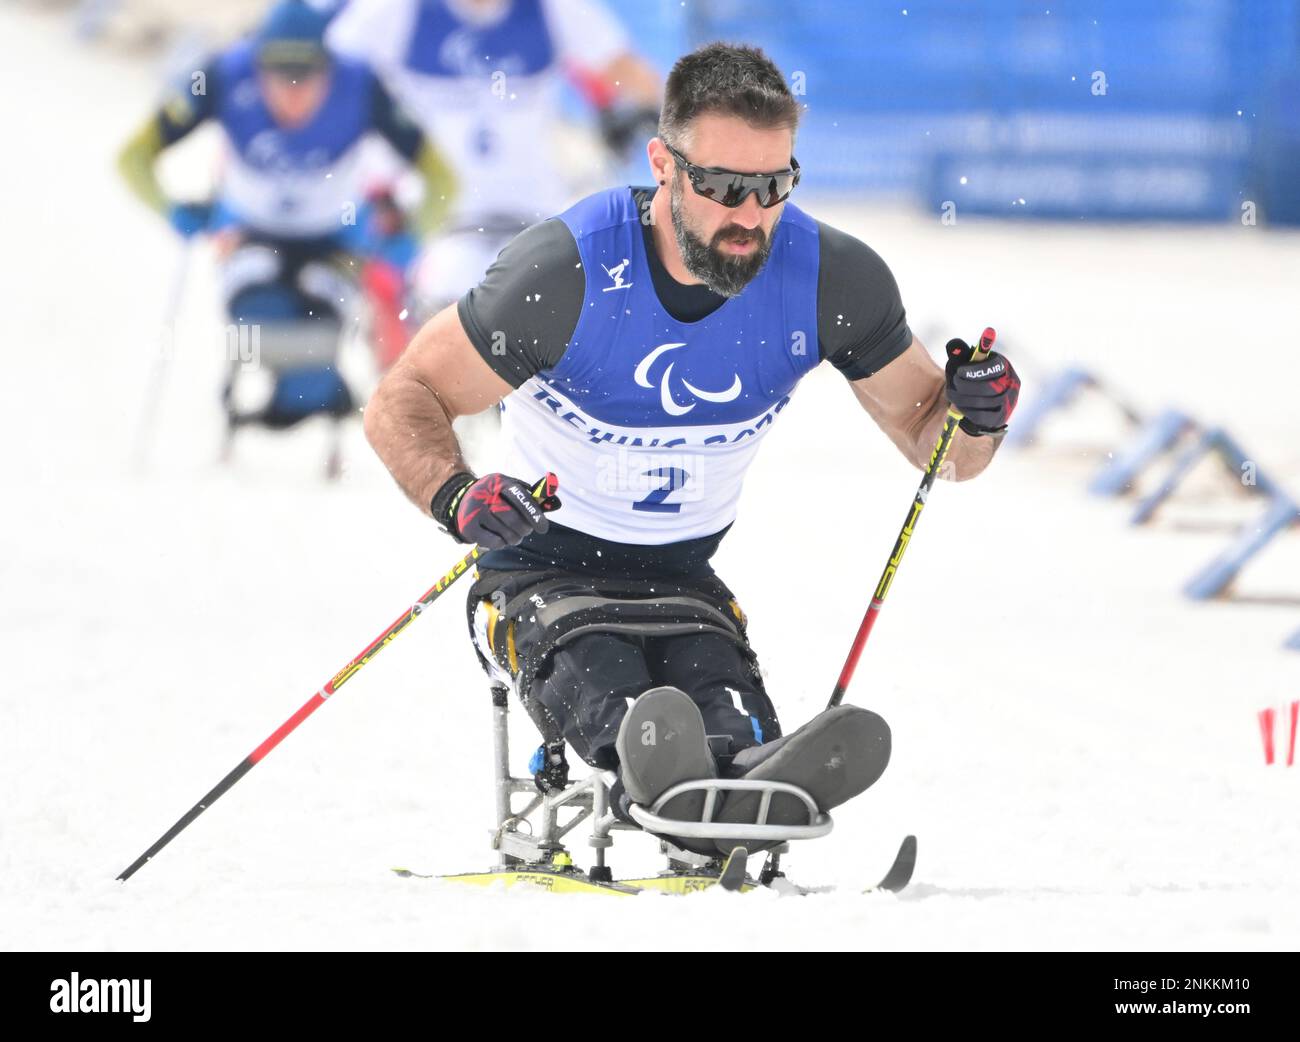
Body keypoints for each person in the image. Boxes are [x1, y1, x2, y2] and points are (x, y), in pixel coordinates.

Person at [363, 44, 1020, 849]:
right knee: (610, 685)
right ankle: (681, 787)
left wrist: (978, 414)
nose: (749, 214)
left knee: (715, 704)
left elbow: (941, 450)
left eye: (774, 187)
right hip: (539, 573)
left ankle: (734, 774)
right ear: (663, 166)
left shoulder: (830, 281)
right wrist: (458, 495)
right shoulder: (565, 271)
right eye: (721, 186)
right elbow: (404, 397)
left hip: (683, 580)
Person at [117, 0, 456, 461]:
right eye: (279, 77)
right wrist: (174, 209)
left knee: (320, 327)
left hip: (336, 239)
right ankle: (306, 394)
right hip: (248, 232)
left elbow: (441, 176)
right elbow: (133, 156)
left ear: (328, 70)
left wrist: (411, 237)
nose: (293, 93)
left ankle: (310, 394)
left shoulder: (361, 83)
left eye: (307, 78)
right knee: (259, 316)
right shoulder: (221, 75)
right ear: (257, 69)